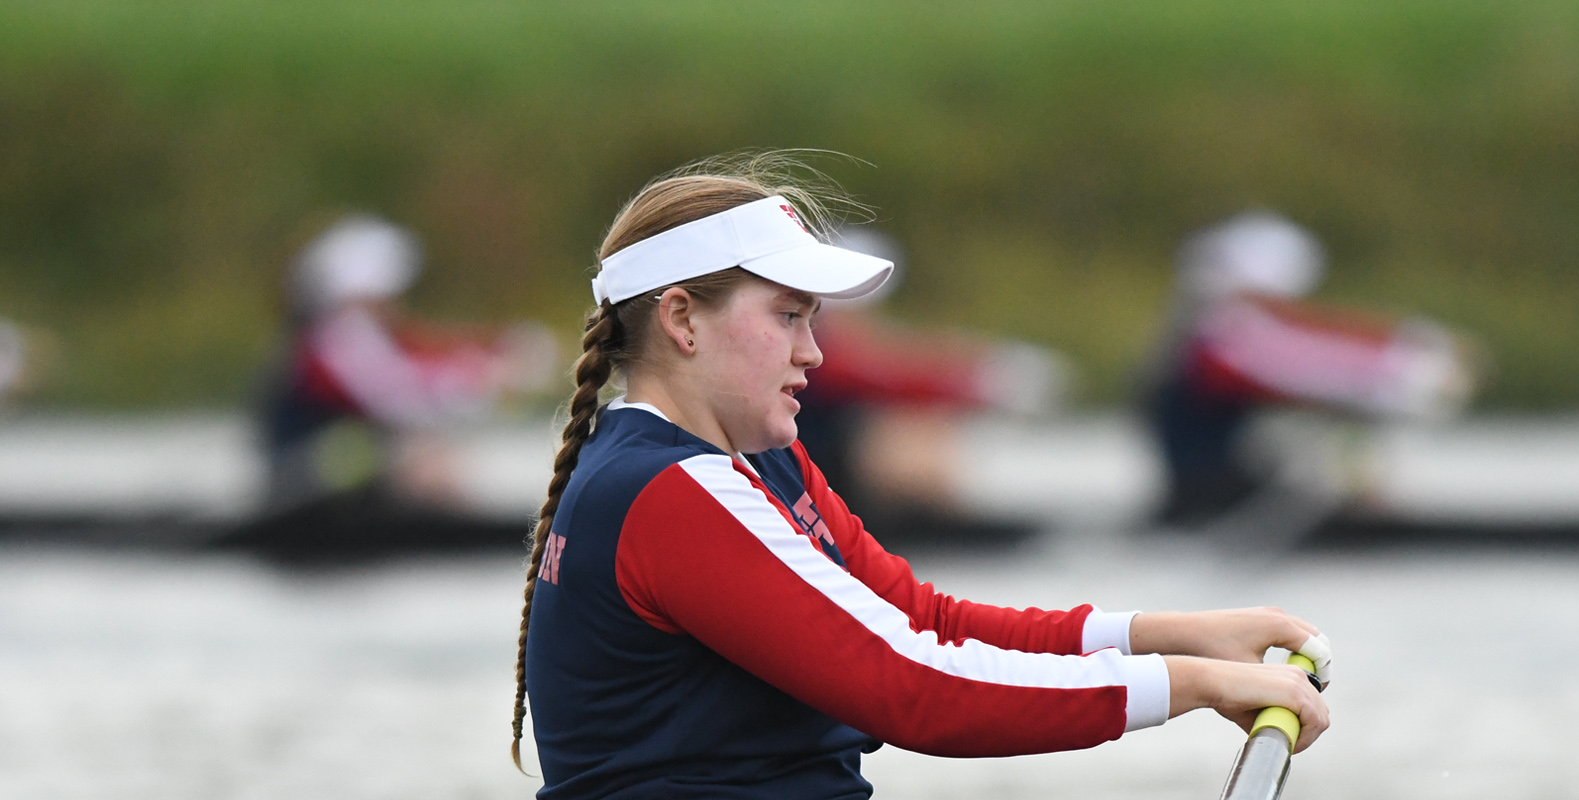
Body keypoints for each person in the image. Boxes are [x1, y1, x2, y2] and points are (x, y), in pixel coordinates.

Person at [513, 156, 1332, 799]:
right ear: (683, 319)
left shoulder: (756, 462)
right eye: (788, 316)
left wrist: (1170, 634)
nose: (814, 353)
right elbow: (913, 690)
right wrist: (1192, 685)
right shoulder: (673, 491)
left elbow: (921, 620)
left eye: (813, 320)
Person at [1148, 211, 1477, 527]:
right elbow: (1287, 367)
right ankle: (1358, 511)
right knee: (1349, 420)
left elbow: (1303, 348)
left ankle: (1360, 504)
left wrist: (1406, 350)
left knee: (1350, 426)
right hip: (1211, 505)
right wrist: (1405, 362)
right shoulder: (1219, 338)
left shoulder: (1216, 327)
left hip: (1241, 495)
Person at [260, 214, 554, 512]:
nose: (396, 303)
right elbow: (404, 400)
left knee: (425, 452)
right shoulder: (339, 340)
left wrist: (503, 348)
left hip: (345, 468)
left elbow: (427, 352)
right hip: (308, 479)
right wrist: (488, 380)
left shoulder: (361, 334)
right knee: (425, 456)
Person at [793, 226, 1066, 538]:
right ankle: (919, 515)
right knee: (909, 424)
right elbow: (877, 374)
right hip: (820, 477)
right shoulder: (816, 343)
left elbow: (896, 357)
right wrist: (979, 383)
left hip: (830, 469)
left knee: (920, 420)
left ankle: (929, 511)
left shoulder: (822, 332)